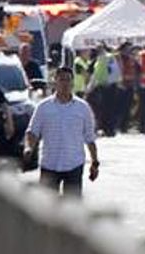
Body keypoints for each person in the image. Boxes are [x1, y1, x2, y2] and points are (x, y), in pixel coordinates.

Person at [25, 63, 100, 197]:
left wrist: (94, 162)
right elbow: (33, 131)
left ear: (73, 83)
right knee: (46, 207)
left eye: (68, 80)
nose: (65, 83)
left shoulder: (83, 108)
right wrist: (29, 148)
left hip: (74, 163)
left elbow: (89, 137)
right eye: (61, 80)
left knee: (72, 208)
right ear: (55, 82)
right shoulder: (44, 107)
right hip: (50, 163)